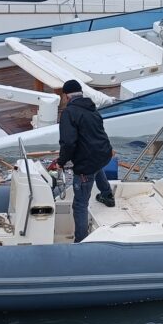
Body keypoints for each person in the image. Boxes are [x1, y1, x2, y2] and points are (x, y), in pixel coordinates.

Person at [54, 79, 115, 243]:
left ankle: (81, 241)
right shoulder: (92, 109)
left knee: (80, 204)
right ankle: (107, 195)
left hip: (88, 162)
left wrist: (61, 161)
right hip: (104, 153)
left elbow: (68, 143)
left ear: (66, 96)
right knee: (96, 166)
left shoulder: (69, 113)